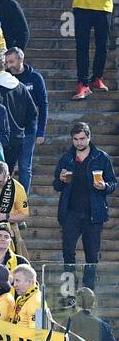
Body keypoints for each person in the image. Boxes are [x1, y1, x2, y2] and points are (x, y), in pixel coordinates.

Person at [52, 122, 116, 290]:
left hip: (93, 214)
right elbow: (57, 186)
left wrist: (105, 186)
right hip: (71, 212)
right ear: (72, 139)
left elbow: (113, 183)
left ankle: (88, 292)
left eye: (82, 138)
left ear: (89, 137)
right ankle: (70, 291)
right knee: (68, 252)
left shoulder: (101, 158)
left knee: (92, 255)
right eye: (75, 139)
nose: (79, 142)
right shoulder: (66, 158)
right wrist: (60, 179)